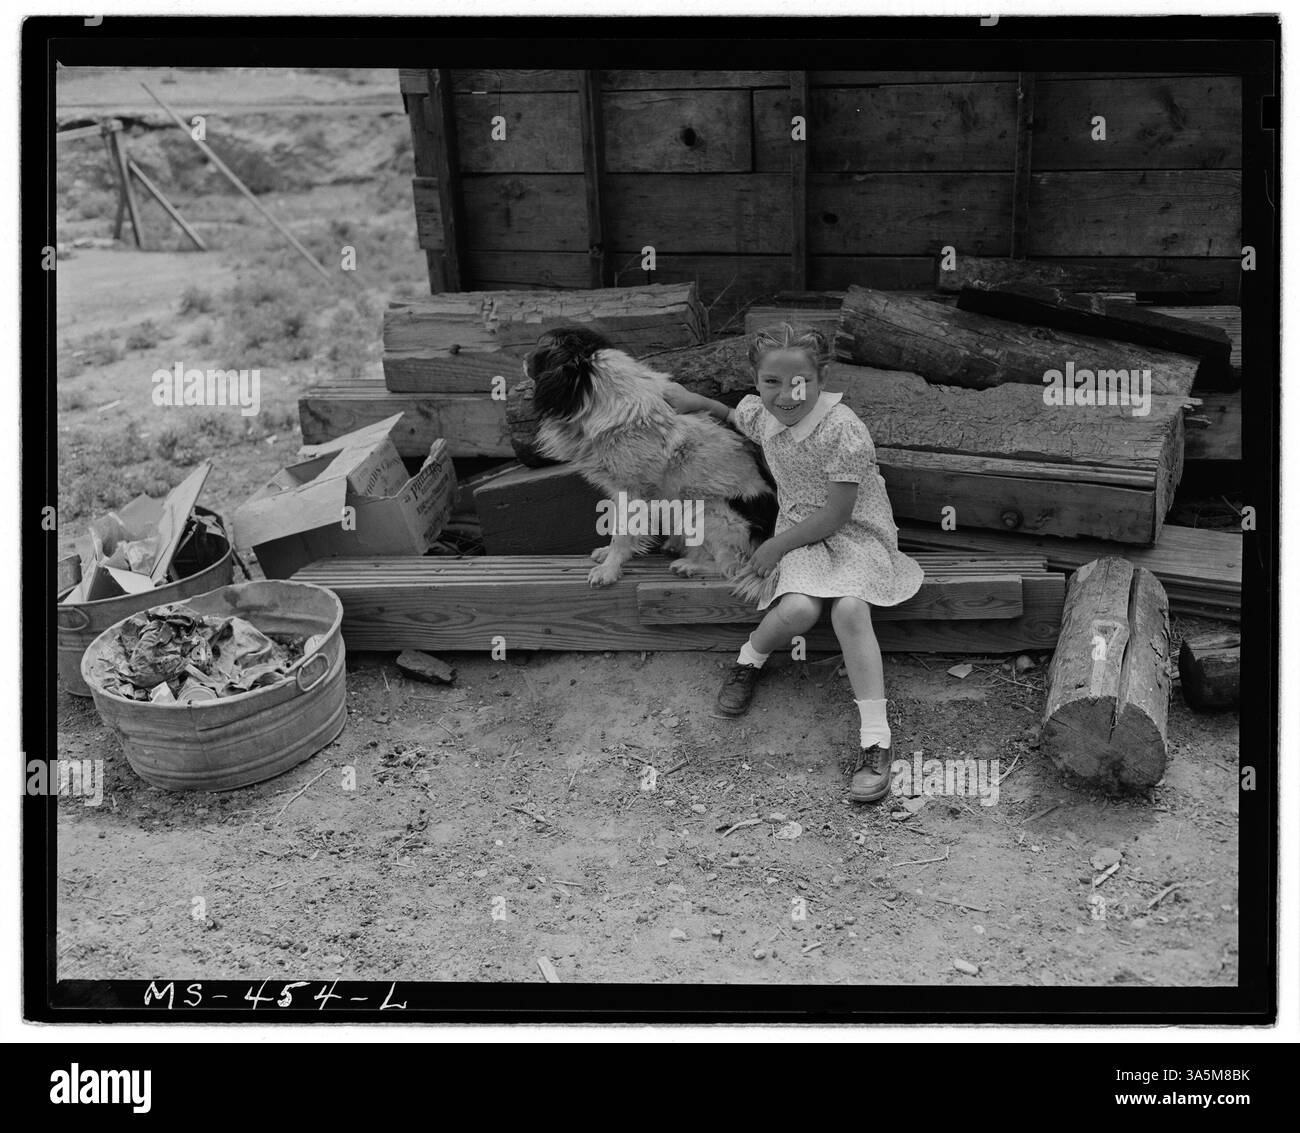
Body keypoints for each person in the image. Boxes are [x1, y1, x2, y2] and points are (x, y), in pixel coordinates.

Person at [661, 324, 923, 802]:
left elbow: (838, 514)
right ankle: (749, 659)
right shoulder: (764, 412)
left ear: (821, 376)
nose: (786, 395)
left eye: (798, 382)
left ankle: (876, 738)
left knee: (848, 609)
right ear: (757, 381)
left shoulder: (844, 430)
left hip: (854, 531)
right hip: (801, 529)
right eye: (771, 383)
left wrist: (774, 547)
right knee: (800, 610)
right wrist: (693, 400)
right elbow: (734, 415)